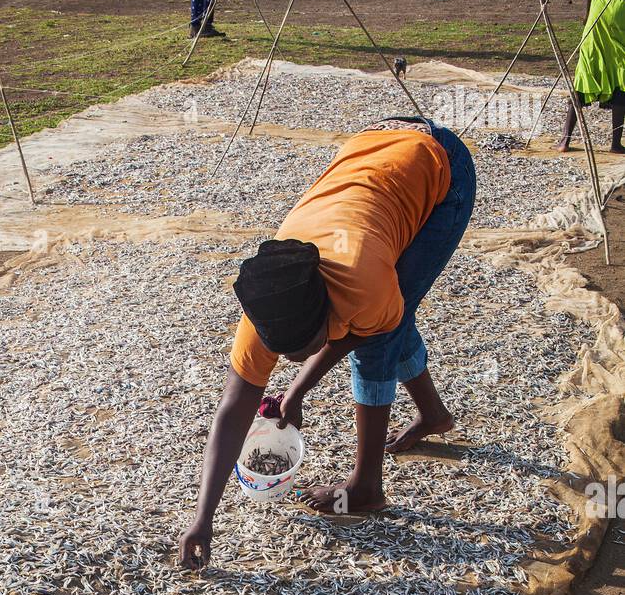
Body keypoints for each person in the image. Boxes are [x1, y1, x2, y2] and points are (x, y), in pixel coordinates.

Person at [178, 118, 476, 568]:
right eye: (284, 352)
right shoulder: (266, 305)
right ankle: (433, 415)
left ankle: (366, 488)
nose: (293, 358)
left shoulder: (360, 282)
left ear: (329, 311)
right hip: (370, 150)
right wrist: (203, 519)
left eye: (306, 346)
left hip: (438, 165)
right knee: (395, 311)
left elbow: (365, 332)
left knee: (382, 336)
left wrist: (296, 390)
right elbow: (233, 409)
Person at [560, 0, 625, 152]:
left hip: (598, 3)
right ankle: (615, 144)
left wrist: (589, 10)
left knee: (589, 62)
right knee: (621, 68)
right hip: (621, 5)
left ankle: (564, 141)